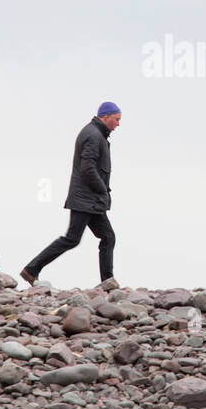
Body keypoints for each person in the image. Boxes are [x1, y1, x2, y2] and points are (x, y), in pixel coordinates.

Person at [21, 102, 121, 289]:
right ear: (105, 117)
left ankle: (108, 283)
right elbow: (87, 168)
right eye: (116, 119)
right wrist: (102, 189)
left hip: (91, 200)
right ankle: (31, 269)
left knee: (107, 237)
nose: (118, 124)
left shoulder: (96, 134)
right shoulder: (93, 135)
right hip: (86, 199)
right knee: (74, 238)